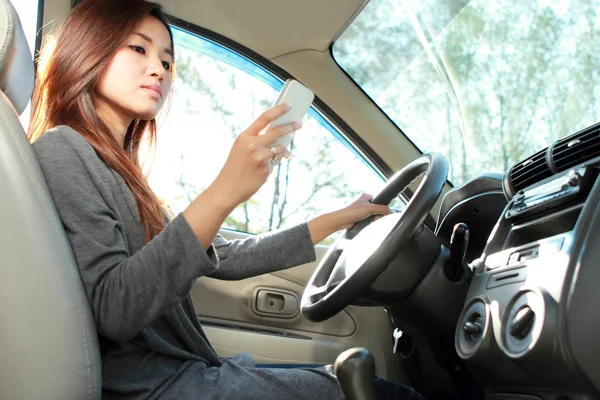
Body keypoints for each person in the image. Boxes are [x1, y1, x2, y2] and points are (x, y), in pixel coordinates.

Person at [28, 0, 425, 399]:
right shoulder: (63, 148)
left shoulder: (120, 170)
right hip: (154, 387)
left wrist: (337, 220)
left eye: (167, 62)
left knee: (355, 383)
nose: (158, 70)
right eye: (138, 48)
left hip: (182, 374)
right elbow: (116, 310)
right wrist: (225, 189)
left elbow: (227, 256)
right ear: (88, 48)